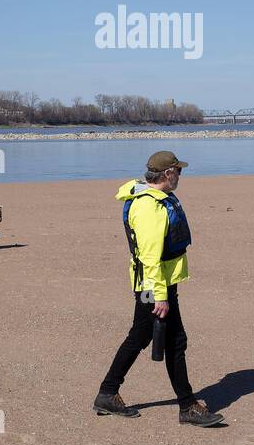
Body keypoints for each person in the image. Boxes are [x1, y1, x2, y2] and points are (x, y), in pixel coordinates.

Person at [93, 151, 223, 427]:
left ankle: (107, 393)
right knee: (175, 341)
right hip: (153, 286)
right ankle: (187, 406)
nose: (180, 176)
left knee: (140, 336)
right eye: (178, 171)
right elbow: (150, 257)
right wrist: (160, 296)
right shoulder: (149, 207)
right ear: (167, 174)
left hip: (155, 284)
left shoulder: (154, 200)